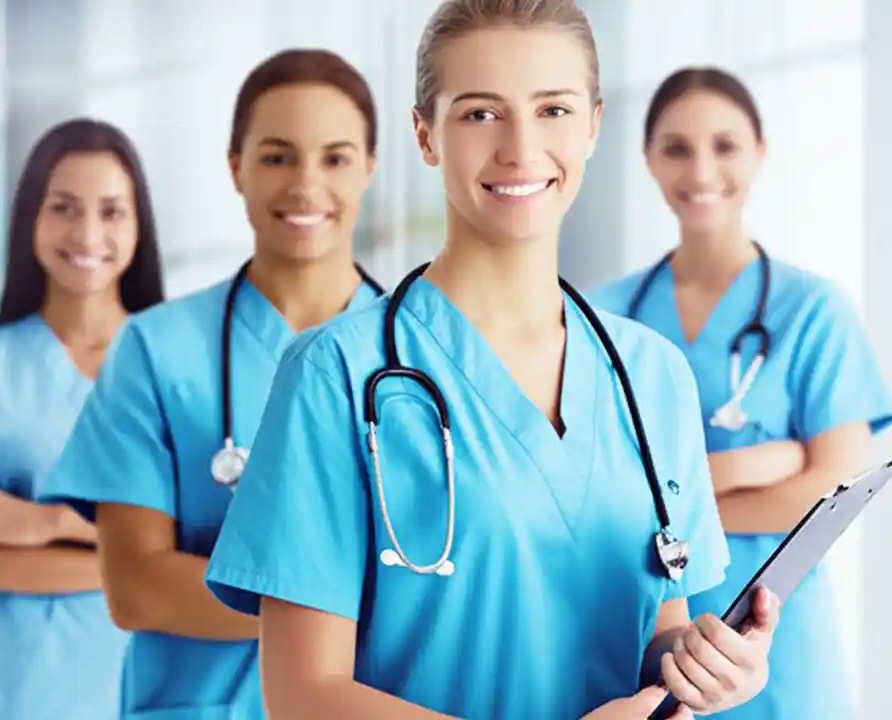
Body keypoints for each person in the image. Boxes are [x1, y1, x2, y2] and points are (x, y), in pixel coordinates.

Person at [203, 3, 782, 719]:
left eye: (553, 110)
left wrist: (707, 669)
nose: (520, 148)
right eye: (481, 114)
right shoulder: (334, 374)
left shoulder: (652, 375)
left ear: (594, 125)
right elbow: (303, 695)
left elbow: (655, 628)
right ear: (426, 134)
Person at [37, 49, 386, 719]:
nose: (305, 185)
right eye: (277, 157)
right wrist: (355, 605)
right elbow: (137, 586)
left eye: (335, 158)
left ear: (369, 167)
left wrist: (255, 593)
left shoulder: (417, 355)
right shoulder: (158, 348)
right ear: (236, 168)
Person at [590, 67, 892, 720]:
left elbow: (832, 496)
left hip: (776, 643)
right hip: (646, 651)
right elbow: (587, 492)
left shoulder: (813, 310)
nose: (701, 170)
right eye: (677, 148)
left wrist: (663, 514)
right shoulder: (600, 315)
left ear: (760, 151)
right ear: (648, 159)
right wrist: (755, 464)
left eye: (725, 145)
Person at [0, 118, 165, 720]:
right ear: (30, 221)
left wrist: (49, 522)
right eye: (63, 208)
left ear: (139, 227)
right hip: (37, 696)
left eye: (112, 212)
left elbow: (220, 547)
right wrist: (154, 569)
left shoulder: (183, 366)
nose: (87, 233)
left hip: (173, 688)